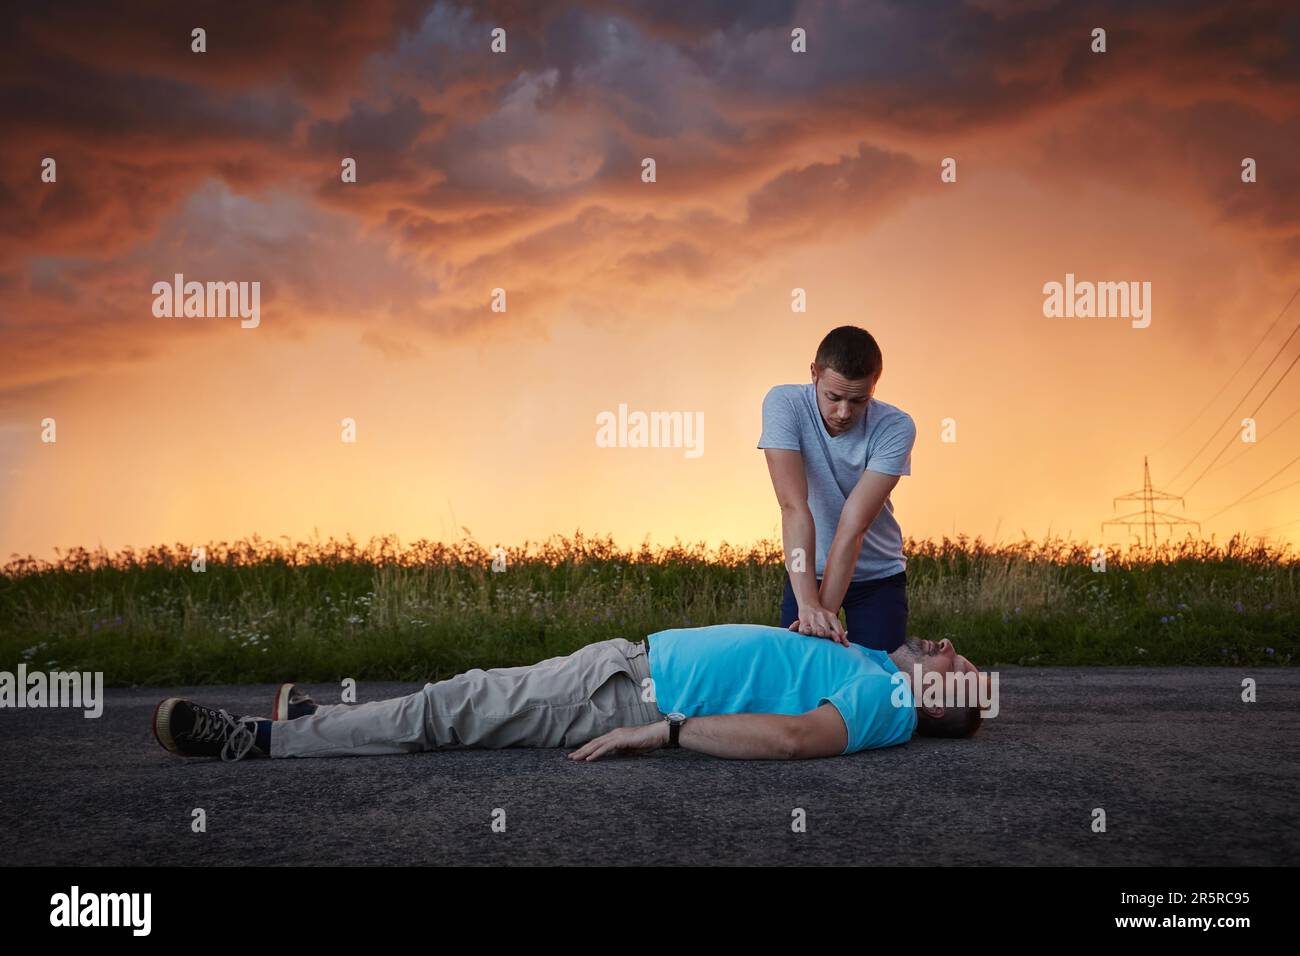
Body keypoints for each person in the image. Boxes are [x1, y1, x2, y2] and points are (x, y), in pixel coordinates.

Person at [151, 624, 983, 763]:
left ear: (938, 702)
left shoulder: (891, 704)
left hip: (632, 698)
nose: (945, 648)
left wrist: (667, 732)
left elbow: (797, 739)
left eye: (956, 666)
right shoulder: (876, 661)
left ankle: (254, 742)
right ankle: (320, 720)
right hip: (626, 664)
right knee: (463, 699)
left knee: (449, 711)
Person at [759, 325, 917, 651]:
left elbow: (853, 525)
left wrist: (825, 615)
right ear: (814, 373)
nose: (844, 413)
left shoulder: (896, 426)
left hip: (877, 577)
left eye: (859, 400)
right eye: (833, 397)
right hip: (808, 573)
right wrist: (808, 607)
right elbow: (793, 506)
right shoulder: (783, 403)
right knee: (796, 685)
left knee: (877, 683)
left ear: (875, 385)